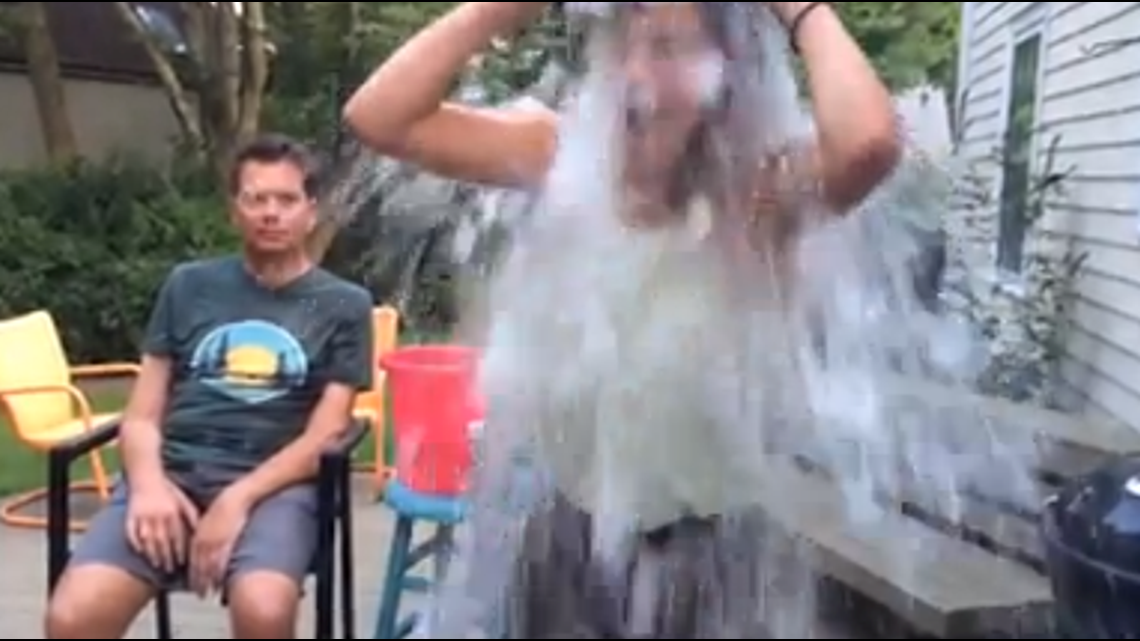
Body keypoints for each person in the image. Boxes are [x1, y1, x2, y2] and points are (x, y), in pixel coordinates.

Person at [345, 2, 899, 637]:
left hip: (710, 550)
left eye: (665, 49)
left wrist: (798, 9)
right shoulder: (559, 154)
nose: (635, 72)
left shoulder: (757, 195)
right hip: (568, 531)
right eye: (624, 48)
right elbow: (379, 117)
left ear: (725, 76)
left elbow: (869, 142)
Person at [43, 134, 374, 639]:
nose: (270, 213)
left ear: (310, 211)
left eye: (285, 200)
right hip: (173, 476)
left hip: (275, 487)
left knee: (263, 611)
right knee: (72, 619)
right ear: (233, 211)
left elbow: (322, 439)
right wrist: (149, 486)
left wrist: (235, 501)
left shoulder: (343, 305)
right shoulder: (189, 286)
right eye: (255, 198)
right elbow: (140, 416)